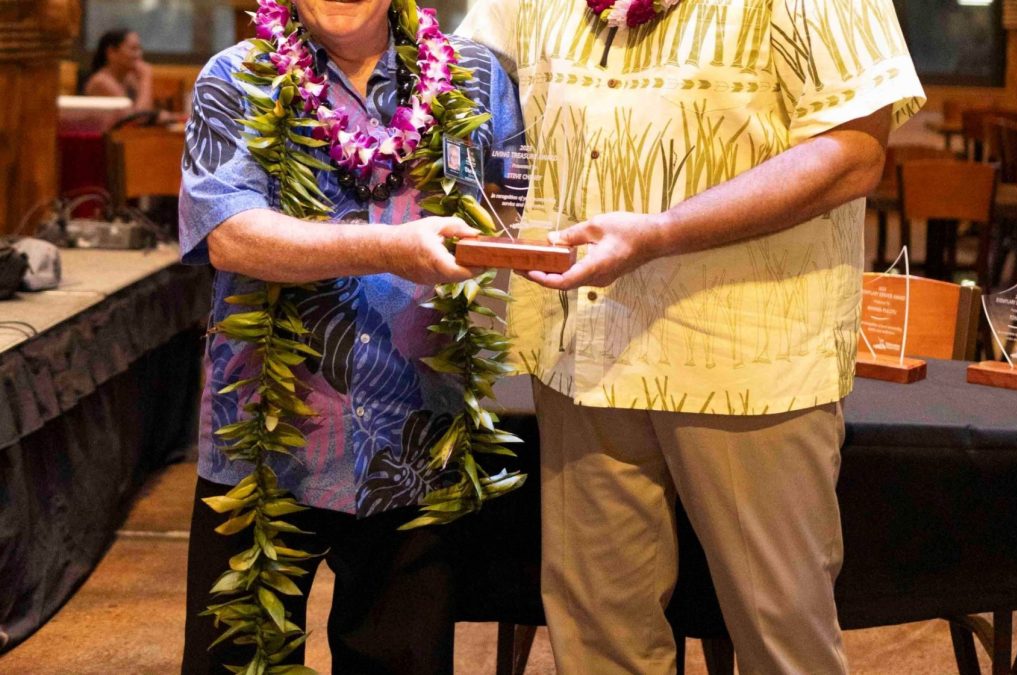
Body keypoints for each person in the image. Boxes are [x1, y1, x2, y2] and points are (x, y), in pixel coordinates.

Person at [459, 1, 924, 672]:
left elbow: (852, 152)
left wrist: (662, 231)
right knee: (597, 634)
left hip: (745, 356)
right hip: (583, 343)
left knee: (780, 636)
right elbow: (463, 73)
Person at [178, 0, 522, 672]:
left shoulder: (475, 76)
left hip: (416, 437)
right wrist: (391, 248)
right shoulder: (236, 77)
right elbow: (229, 233)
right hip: (265, 440)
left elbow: (515, 211)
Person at [83, 28, 154, 112]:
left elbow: (147, 111)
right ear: (111, 52)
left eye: (139, 49)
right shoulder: (102, 82)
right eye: (133, 49)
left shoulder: (129, 79)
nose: (139, 54)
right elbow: (136, 118)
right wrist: (146, 78)